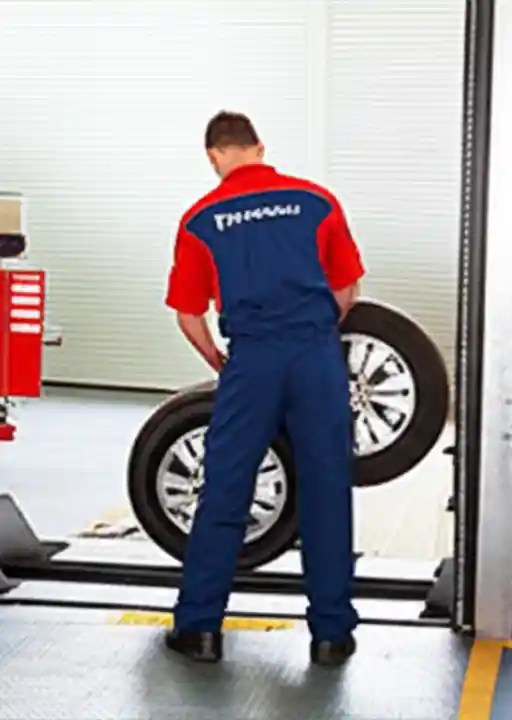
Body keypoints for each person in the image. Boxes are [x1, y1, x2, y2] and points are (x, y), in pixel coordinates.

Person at [162, 111, 363, 665]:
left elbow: (188, 314)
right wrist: (313, 332)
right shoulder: (316, 201)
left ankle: (200, 629)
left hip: (251, 360)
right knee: (326, 489)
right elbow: (347, 287)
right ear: (259, 147)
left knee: (225, 489)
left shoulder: (201, 217)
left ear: (213, 157)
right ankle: (330, 636)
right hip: (315, 353)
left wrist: (220, 359)